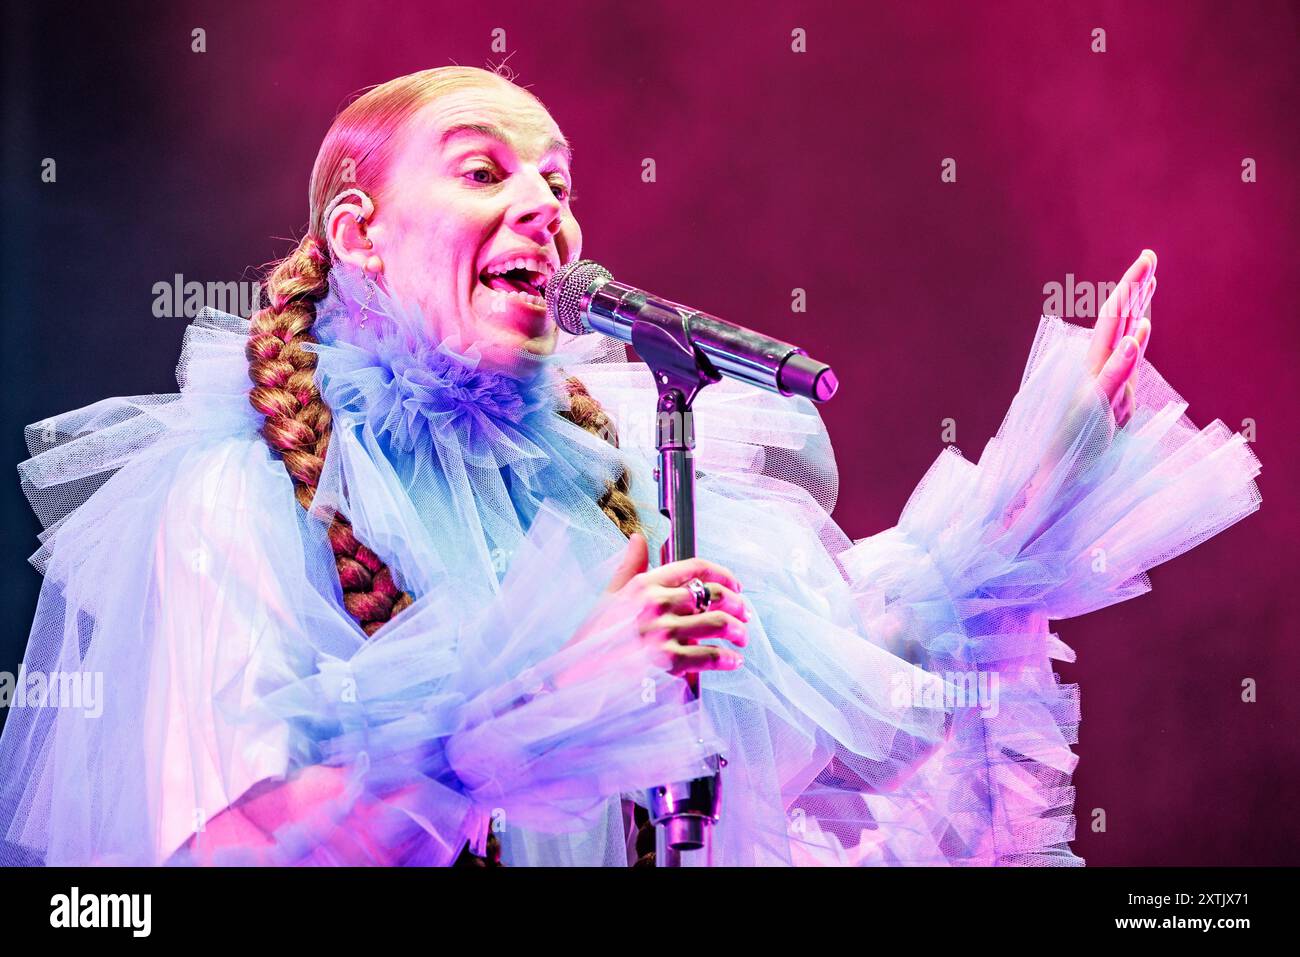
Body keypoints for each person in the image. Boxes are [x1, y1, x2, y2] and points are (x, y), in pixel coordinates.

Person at [0, 65, 1262, 867]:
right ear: (359, 237)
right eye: (487, 172)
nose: (545, 204)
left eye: (558, 180)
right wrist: (515, 716)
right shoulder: (249, 496)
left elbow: (846, 698)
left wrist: (1031, 494)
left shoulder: (616, 480)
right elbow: (224, 856)